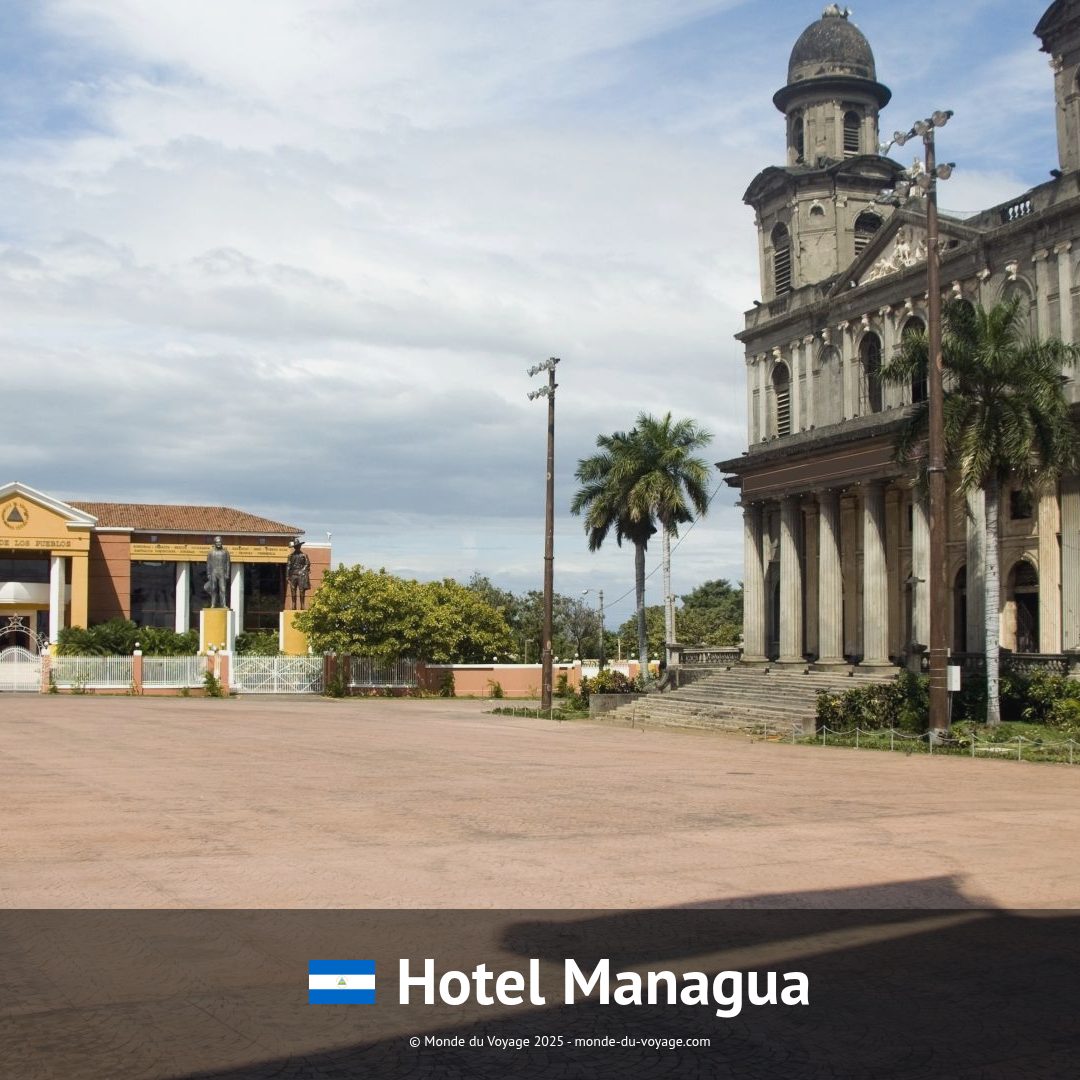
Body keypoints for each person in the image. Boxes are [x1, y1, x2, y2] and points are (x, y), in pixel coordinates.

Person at [205, 536, 231, 608]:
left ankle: (223, 604)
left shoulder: (225, 552)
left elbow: (228, 564)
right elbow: (208, 564)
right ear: (215, 543)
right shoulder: (210, 552)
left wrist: (227, 574)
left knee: (223, 589)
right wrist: (208, 574)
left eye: (220, 542)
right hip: (213, 572)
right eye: (217, 542)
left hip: (222, 572)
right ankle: (213, 604)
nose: (219, 543)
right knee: (213, 589)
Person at [287, 538, 311, 610]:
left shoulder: (304, 555)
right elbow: (288, 566)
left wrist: (302, 570)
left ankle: (302, 605)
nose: (297, 547)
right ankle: (293, 605)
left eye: (298, 546)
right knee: (293, 590)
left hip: (301, 575)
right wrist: (287, 576)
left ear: (300, 546)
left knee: (301, 590)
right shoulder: (290, 556)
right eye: (295, 546)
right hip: (293, 575)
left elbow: (307, 564)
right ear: (294, 547)